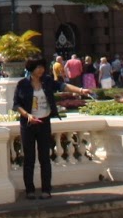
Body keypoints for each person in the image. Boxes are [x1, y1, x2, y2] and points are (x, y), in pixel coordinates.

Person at [13, 56, 87, 199]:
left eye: (42, 67)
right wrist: (27, 115)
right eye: (38, 67)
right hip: (28, 124)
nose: (41, 70)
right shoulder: (22, 84)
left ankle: (46, 190)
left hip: (44, 123)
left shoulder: (46, 81)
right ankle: (30, 190)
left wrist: (81, 90)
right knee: (29, 158)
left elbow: (62, 86)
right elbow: (16, 104)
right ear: (31, 68)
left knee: (45, 158)